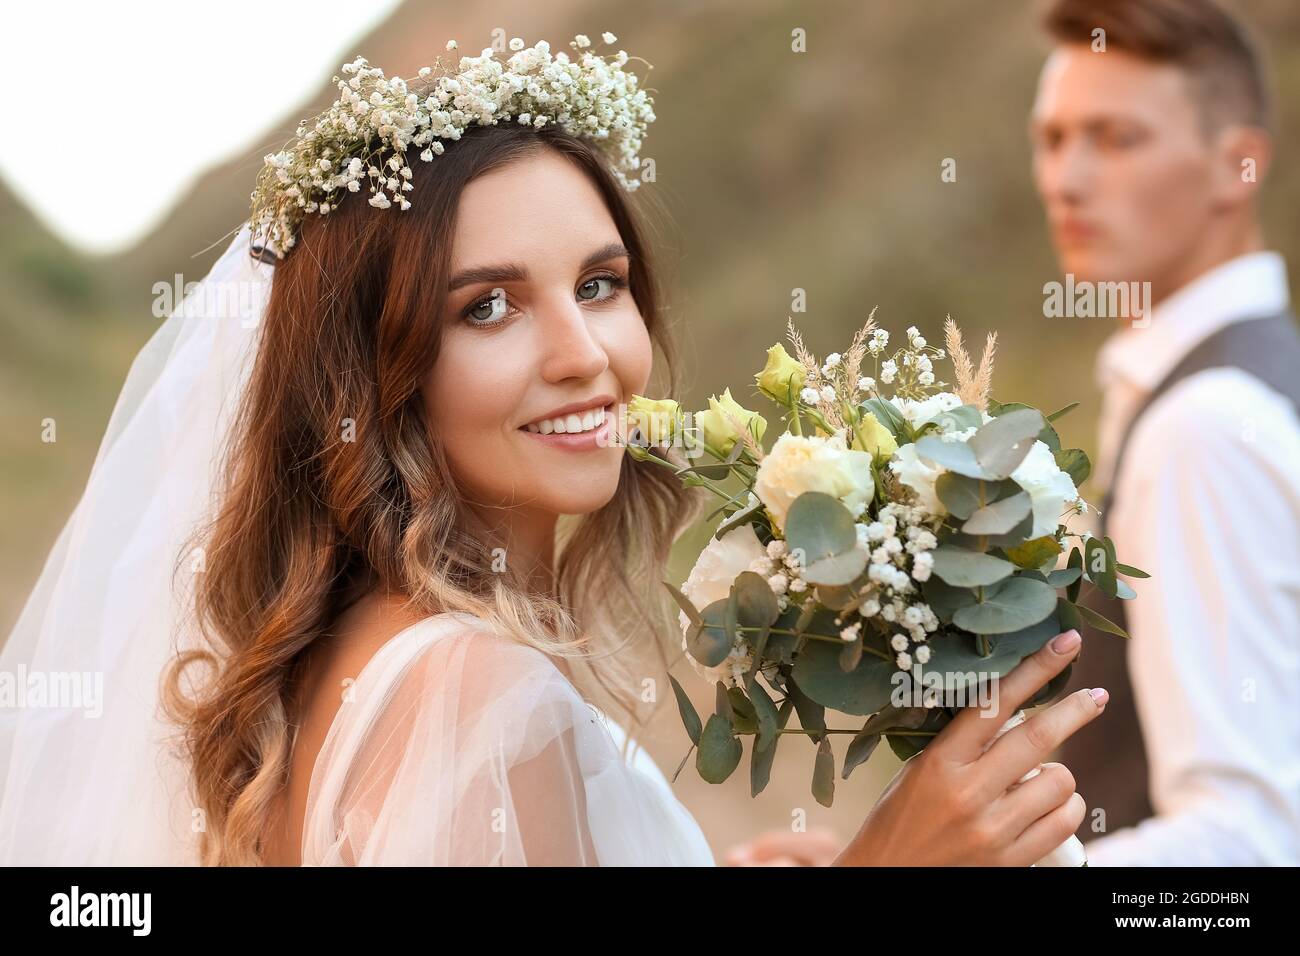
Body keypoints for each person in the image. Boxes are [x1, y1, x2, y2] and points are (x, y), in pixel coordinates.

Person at [0, 32, 1105, 866]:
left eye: (598, 284)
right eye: (487, 307)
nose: (583, 353)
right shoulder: (472, 687)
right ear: (375, 374)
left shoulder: (367, 654)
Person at [1031, 0, 1300, 864]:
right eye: (1053, 138)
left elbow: (1253, 845)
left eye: (1114, 139)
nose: (1066, 179)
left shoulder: (1204, 428)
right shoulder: (1257, 373)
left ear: (1239, 167)